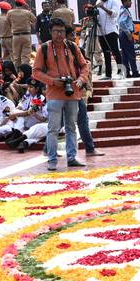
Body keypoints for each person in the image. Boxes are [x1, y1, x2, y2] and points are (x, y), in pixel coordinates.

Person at [33, 18, 92, 170]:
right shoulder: (44, 48)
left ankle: (72, 157)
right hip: (54, 94)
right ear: (50, 32)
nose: (59, 34)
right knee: (53, 129)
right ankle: (52, 160)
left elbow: (85, 65)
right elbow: (36, 72)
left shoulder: (72, 46)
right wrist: (52, 81)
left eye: (62, 31)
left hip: (73, 93)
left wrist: (81, 79)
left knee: (71, 127)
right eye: (56, 31)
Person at [93, 0, 121, 79]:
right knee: (106, 53)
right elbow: (97, 15)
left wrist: (103, 7)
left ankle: (121, 72)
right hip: (101, 32)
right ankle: (108, 74)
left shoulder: (113, 1)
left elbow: (114, 14)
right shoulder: (98, 2)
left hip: (111, 30)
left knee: (115, 52)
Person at [7, 0, 37, 67]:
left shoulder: (10, 13)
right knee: (25, 56)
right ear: (23, 4)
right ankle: (25, 72)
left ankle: (17, 73)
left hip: (15, 36)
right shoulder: (27, 12)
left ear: (15, 4)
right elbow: (35, 20)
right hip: (26, 36)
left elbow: (8, 22)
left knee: (16, 57)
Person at [117, 0, 140, 78]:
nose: (130, 2)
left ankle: (127, 73)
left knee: (125, 55)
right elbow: (122, 23)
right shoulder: (124, 11)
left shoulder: (123, 10)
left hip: (122, 34)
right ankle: (134, 72)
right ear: (124, 2)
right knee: (131, 54)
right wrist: (128, 33)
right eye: (129, 1)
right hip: (125, 34)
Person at [0, 1, 13, 66]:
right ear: (6, 10)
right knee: (13, 56)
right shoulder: (8, 18)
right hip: (10, 38)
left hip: (2, 39)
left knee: (5, 57)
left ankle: (5, 69)